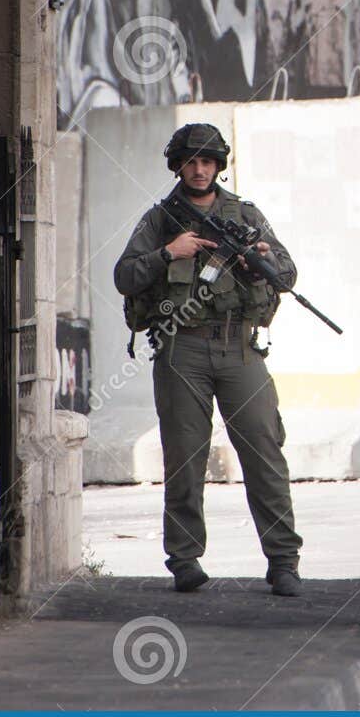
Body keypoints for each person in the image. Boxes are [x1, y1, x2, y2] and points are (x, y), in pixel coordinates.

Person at [113, 123, 305, 596]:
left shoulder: (245, 214)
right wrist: (167, 254)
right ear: (177, 165)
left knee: (264, 454)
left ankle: (283, 560)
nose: (199, 170)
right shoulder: (160, 220)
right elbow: (124, 276)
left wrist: (259, 257)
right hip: (183, 348)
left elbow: (287, 273)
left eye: (207, 161)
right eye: (191, 161)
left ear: (219, 165)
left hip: (240, 347)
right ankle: (184, 560)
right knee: (184, 458)